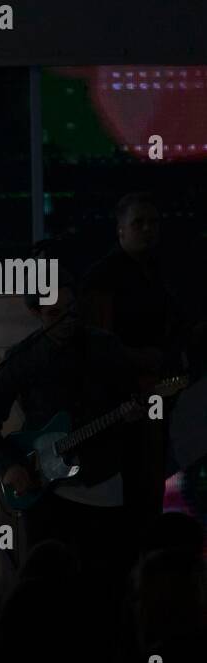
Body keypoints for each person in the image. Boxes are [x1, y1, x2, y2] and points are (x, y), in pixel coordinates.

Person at [0, 269, 148, 586]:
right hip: (44, 489)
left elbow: (134, 402)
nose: (66, 320)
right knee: (46, 587)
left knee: (106, 585)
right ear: (36, 311)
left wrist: (137, 413)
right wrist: (8, 465)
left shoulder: (105, 347)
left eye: (71, 310)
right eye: (54, 312)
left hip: (102, 480)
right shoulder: (22, 357)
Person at [81, 192, 207, 544]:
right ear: (120, 230)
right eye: (139, 222)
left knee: (151, 478)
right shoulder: (103, 277)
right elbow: (97, 343)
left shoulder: (161, 273)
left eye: (153, 222)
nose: (148, 229)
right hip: (120, 402)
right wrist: (140, 360)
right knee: (133, 483)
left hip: (161, 393)